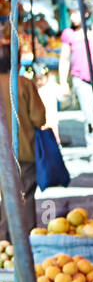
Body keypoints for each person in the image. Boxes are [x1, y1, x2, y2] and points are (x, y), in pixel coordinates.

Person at [0, 43, 47, 240]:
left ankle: (3, 242)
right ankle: (27, 242)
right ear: (16, 60)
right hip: (23, 152)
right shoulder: (23, 85)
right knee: (25, 196)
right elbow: (39, 118)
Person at [57, 10, 93, 147]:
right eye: (72, 14)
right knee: (90, 116)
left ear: (86, 13)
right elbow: (65, 59)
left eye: (76, 13)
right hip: (82, 79)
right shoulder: (69, 34)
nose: (73, 17)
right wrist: (63, 82)